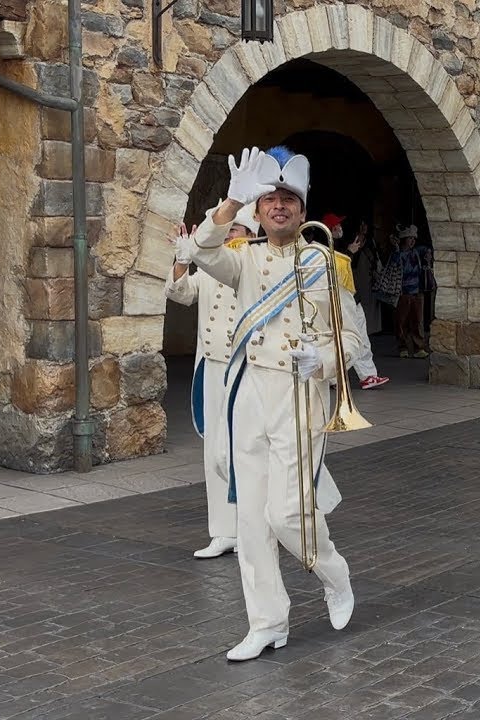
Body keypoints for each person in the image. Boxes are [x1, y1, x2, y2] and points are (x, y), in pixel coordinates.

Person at [183, 146, 363, 661]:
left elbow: (351, 338)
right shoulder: (242, 259)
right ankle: (267, 622)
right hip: (249, 395)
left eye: (288, 199)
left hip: (300, 396)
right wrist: (229, 203)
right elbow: (199, 251)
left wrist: (323, 361)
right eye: (269, 200)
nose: (279, 206)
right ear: (258, 212)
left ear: (303, 211)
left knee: (288, 516)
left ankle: (333, 570)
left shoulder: (330, 263)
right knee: (251, 521)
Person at [164, 204, 258, 560]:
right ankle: (223, 531)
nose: (229, 234)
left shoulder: (253, 264)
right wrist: (182, 259)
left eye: (235, 229)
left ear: (249, 233)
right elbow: (180, 293)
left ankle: (255, 525)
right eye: (226, 229)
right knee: (213, 452)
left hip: (246, 367)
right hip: (213, 365)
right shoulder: (209, 264)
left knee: (242, 450)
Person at [326, 214, 389, 390]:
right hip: (340, 301)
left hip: (352, 299)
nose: (340, 228)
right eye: (336, 226)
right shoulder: (323, 248)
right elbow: (333, 270)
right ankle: (334, 377)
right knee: (347, 339)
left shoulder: (340, 245)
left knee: (358, 338)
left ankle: (366, 376)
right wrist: (349, 253)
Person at [391, 225, 428, 358]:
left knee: (417, 320)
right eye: (409, 238)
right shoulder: (398, 254)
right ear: (404, 239)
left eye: (414, 238)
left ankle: (419, 348)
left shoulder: (416, 252)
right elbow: (393, 265)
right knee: (402, 321)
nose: (412, 241)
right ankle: (403, 347)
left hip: (417, 290)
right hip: (403, 292)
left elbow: (427, 250)